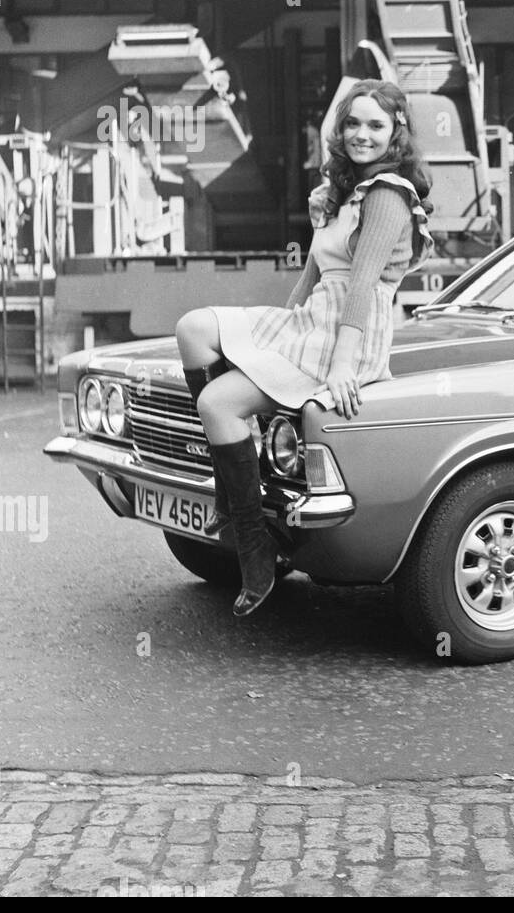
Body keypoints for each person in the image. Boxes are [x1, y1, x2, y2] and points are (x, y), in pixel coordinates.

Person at [175, 78, 434, 617]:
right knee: (193, 329)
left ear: (397, 133)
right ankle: (233, 496)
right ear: (340, 130)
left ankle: (255, 546)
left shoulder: (388, 194)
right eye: (353, 123)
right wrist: (270, 333)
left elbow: (361, 285)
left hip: (351, 334)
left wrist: (345, 366)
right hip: (311, 321)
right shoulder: (340, 192)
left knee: (215, 403)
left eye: (376, 125)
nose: (362, 135)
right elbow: (312, 279)